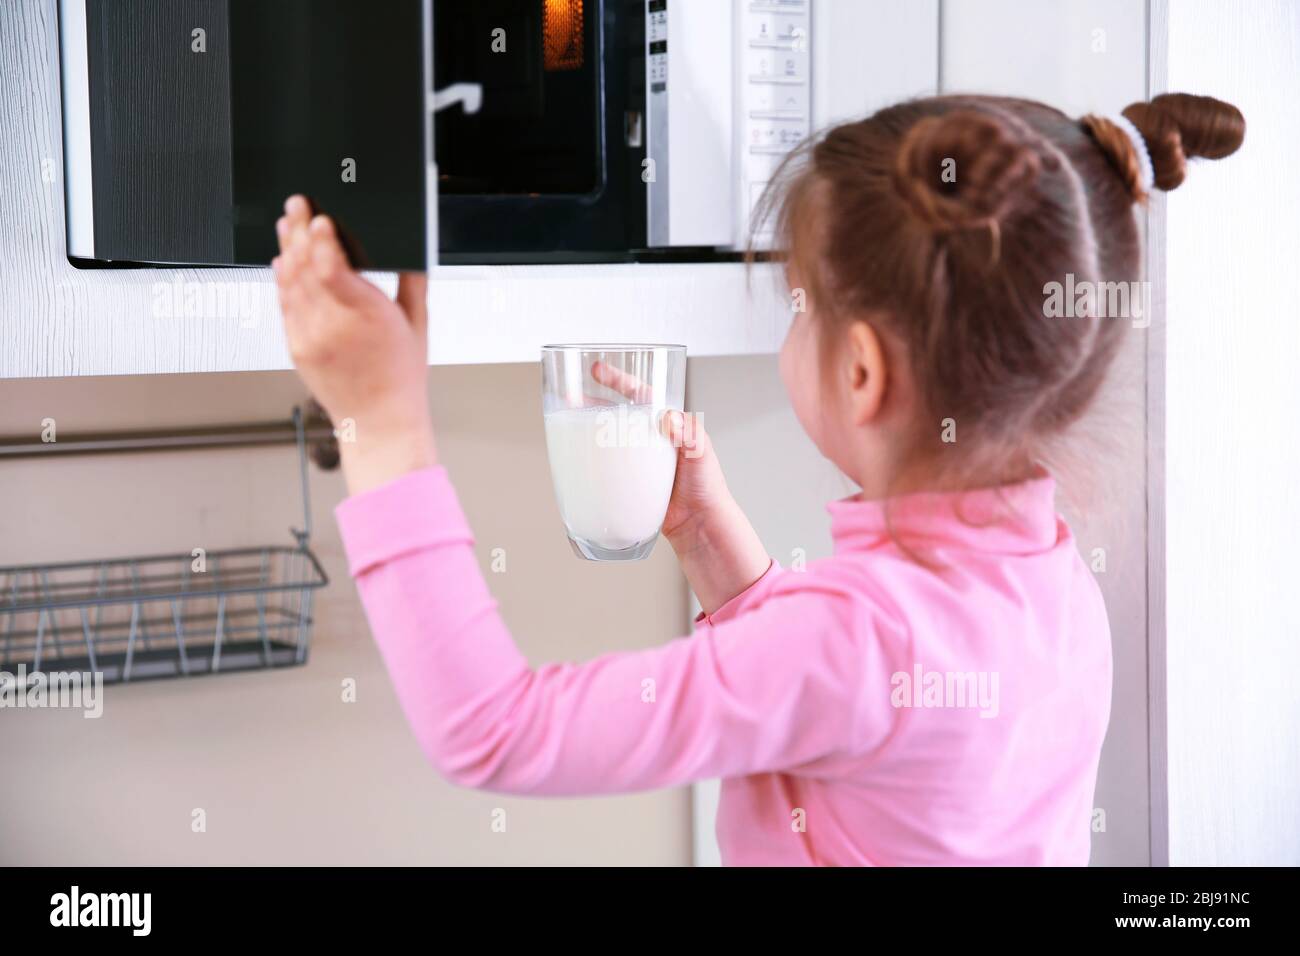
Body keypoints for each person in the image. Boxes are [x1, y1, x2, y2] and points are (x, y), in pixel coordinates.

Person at [272, 93, 1244, 865]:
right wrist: (708, 534)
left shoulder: (852, 643)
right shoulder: (1056, 583)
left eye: (798, 305)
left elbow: (495, 729)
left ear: (860, 371)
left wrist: (381, 419)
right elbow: (855, 717)